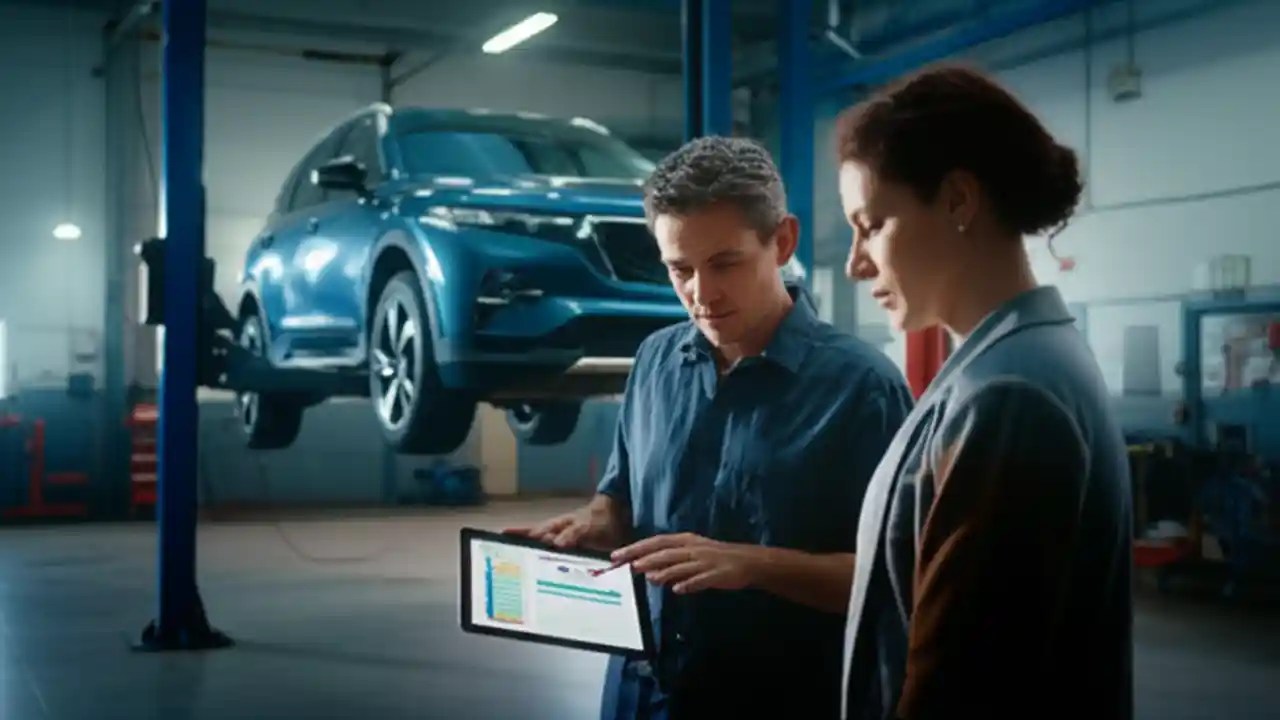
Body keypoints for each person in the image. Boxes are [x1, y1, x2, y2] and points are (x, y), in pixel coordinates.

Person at [507, 136, 913, 719]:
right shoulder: (653, 361)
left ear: (783, 242)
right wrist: (591, 525)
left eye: (725, 264)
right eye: (680, 270)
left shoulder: (863, 388)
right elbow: (620, 499)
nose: (701, 294)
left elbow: (896, 583)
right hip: (640, 696)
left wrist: (752, 564)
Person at [832, 63, 1134, 719]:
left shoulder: (1010, 394)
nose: (856, 262)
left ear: (958, 201)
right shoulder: (1010, 362)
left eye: (872, 223)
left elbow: (961, 690)